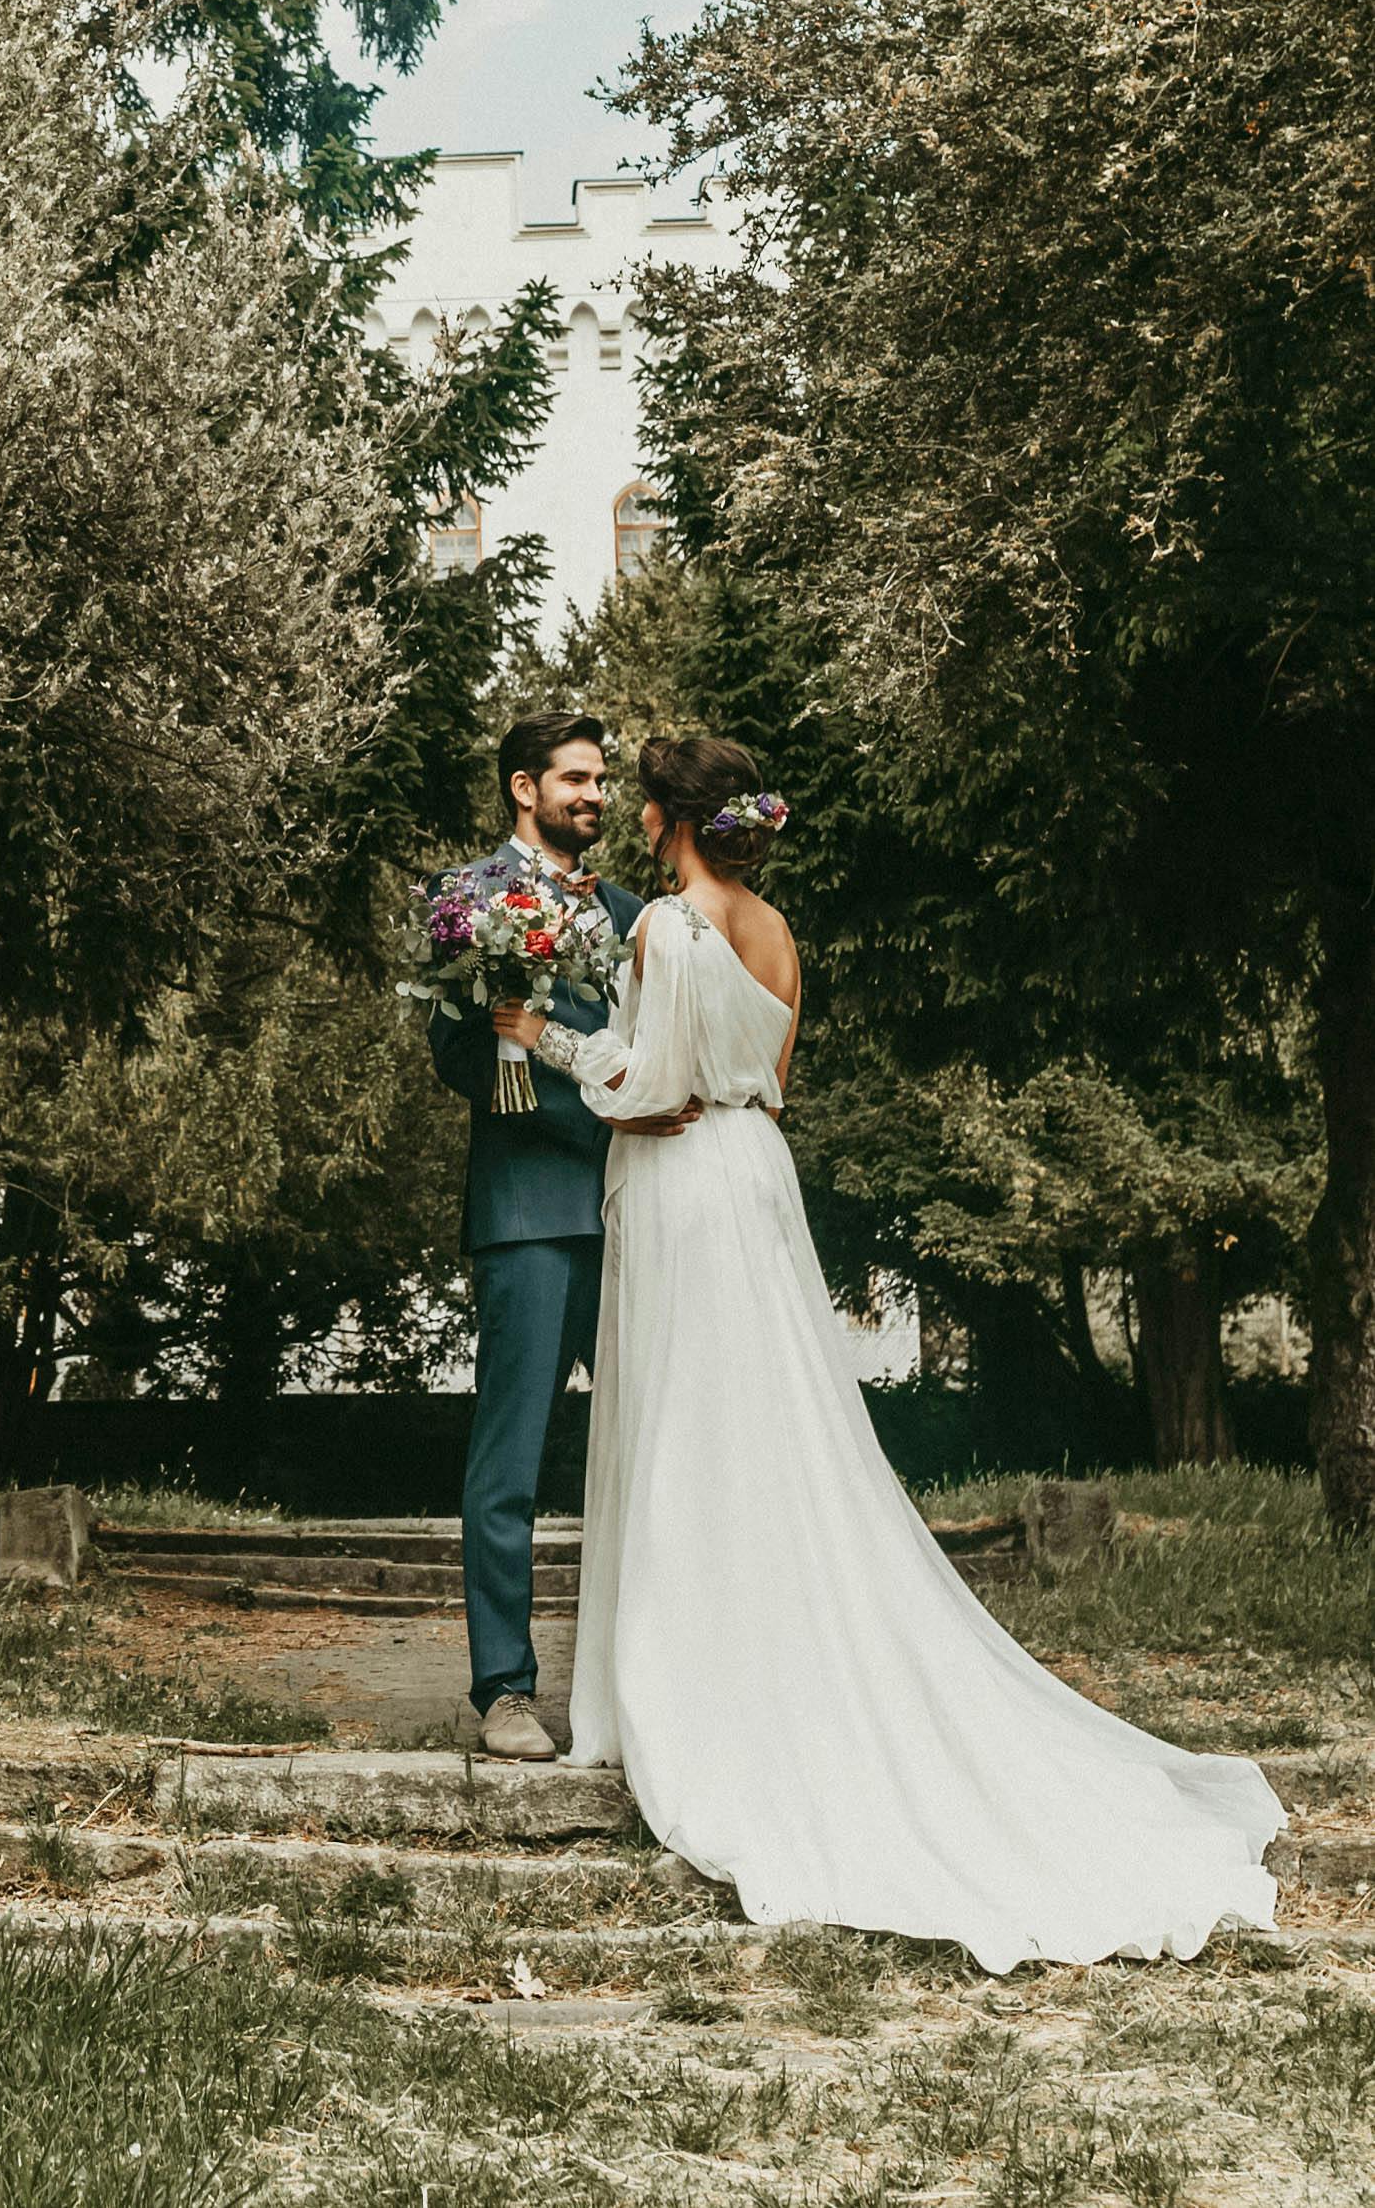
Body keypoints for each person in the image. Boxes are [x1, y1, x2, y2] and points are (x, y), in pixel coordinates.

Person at [491, 733, 1284, 1971]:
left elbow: (646, 1091)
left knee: (691, 1429)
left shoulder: (660, 927)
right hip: (757, 1178)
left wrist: (536, 1034)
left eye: (643, 803)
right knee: (772, 1428)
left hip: (683, 1185)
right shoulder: (777, 928)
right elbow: (765, 1077)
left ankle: (696, 1688)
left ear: (665, 817)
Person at [427, 711, 701, 1760]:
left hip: (638, 1208)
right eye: (574, 777)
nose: (592, 793)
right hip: (528, 1214)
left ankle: (649, 1689)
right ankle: (503, 1689)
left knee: (651, 1448)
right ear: (521, 788)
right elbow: (457, 1052)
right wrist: (573, 1104)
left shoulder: (635, 911)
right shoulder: (468, 899)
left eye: (599, 779)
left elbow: (651, 1046)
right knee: (511, 1460)